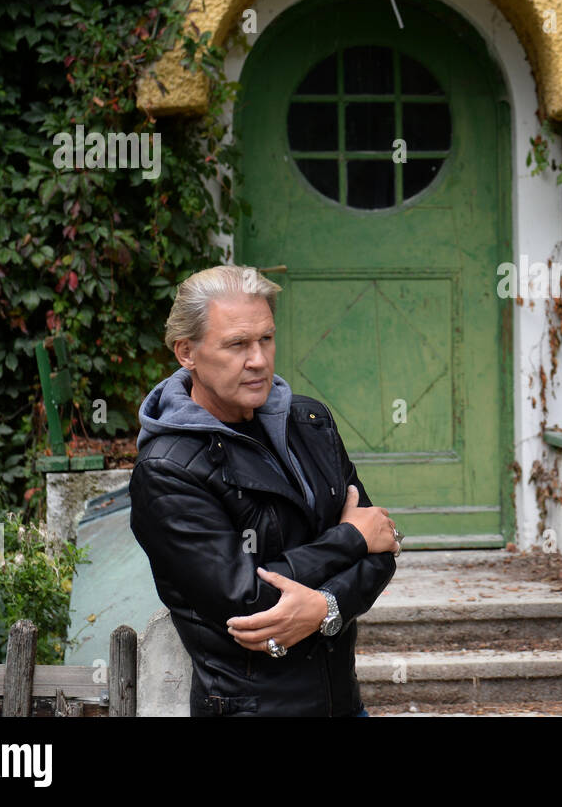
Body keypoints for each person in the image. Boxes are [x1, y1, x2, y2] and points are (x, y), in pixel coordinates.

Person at [129, 264, 399, 716]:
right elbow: (248, 600)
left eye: (266, 339)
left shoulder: (310, 423)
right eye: (236, 344)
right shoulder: (166, 470)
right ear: (186, 352)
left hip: (345, 706)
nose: (258, 359)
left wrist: (324, 607)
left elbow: (383, 546)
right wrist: (349, 539)